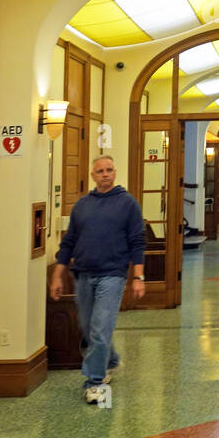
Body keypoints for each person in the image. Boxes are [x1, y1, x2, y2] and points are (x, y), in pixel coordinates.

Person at [49, 155, 146, 405]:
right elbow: (68, 242)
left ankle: (94, 382)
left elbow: (137, 242)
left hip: (112, 275)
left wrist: (138, 276)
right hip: (83, 274)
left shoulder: (128, 204)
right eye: (100, 171)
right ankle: (111, 360)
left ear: (115, 173)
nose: (105, 174)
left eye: (109, 170)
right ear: (93, 175)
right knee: (91, 328)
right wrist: (58, 275)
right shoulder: (82, 205)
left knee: (100, 329)